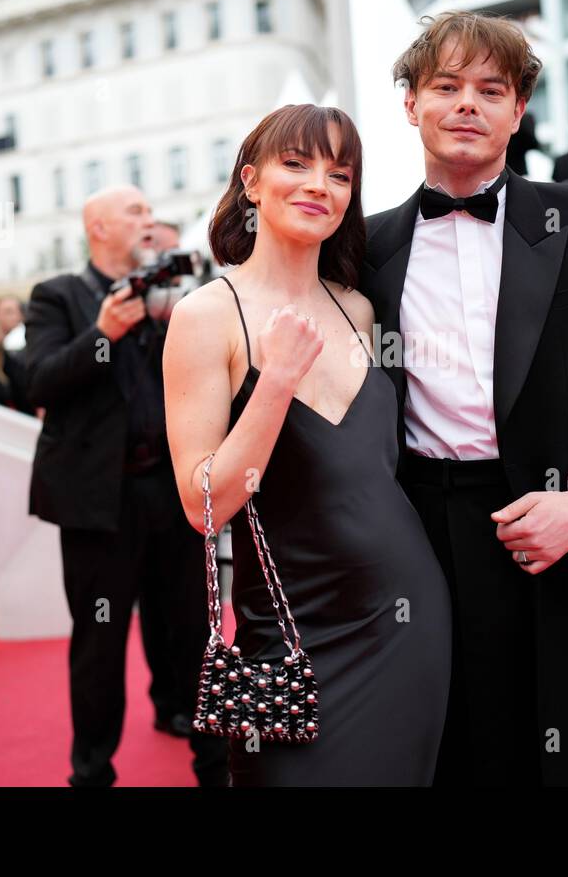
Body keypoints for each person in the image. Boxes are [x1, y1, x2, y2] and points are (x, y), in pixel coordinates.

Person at [364, 10, 568, 786]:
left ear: (519, 110)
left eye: (490, 88)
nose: (467, 104)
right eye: (446, 86)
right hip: (429, 546)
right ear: (411, 104)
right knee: (463, 757)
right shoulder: (365, 247)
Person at [163, 104, 451, 786]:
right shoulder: (208, 315)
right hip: (293, 641)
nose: (320, 183)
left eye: (340, 172)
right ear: (252, 182)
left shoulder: (358, 307)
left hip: (408, 620)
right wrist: (276, 381)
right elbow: (204, 506)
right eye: (297, 164)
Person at [24, 184, 227, 788]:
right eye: (135, 211)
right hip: (97, 504)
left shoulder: (168, 297)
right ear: (98, 228)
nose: (149, 219)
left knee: (193, 631)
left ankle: (212, 763)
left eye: (149, 211)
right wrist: (102, 333)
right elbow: (37, 382)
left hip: (170, 491)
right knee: (99, 643)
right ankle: (91, 773)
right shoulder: (57, 296)